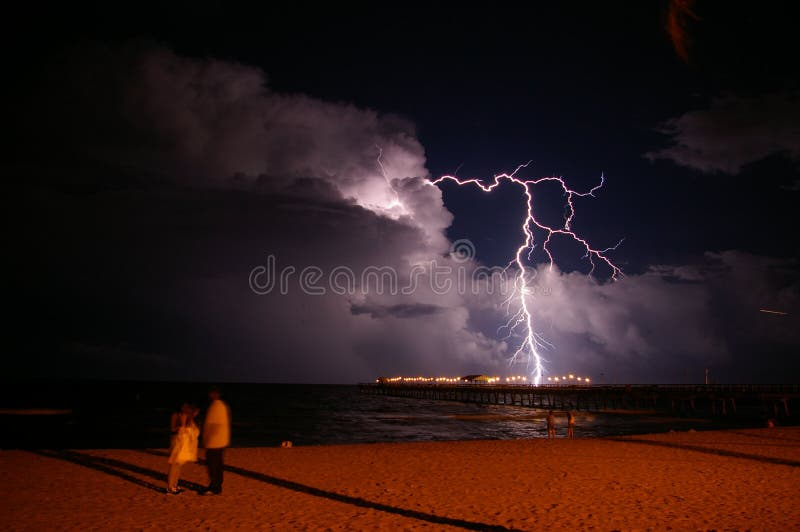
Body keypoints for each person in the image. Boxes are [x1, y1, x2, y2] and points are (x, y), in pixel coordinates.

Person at [201, 386, 231, 495]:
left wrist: (207, 439)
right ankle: (216, 486)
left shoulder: (217, 406)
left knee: (213, 465)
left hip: (215, 442)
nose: (210, 395)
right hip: (219, 441)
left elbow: (214, 425)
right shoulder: (221, 405)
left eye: (212, 393)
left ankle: (214, 487)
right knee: (217, 465)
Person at [167, 402, 200, 494]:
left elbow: (192, 431)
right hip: (176, 441)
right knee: (174, 464)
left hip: (182, 443)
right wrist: (181, 426)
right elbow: (173, 429)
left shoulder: (189, 417)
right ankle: (170, 487)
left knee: (179, 465)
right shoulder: (176, 415)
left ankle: (174, 485)